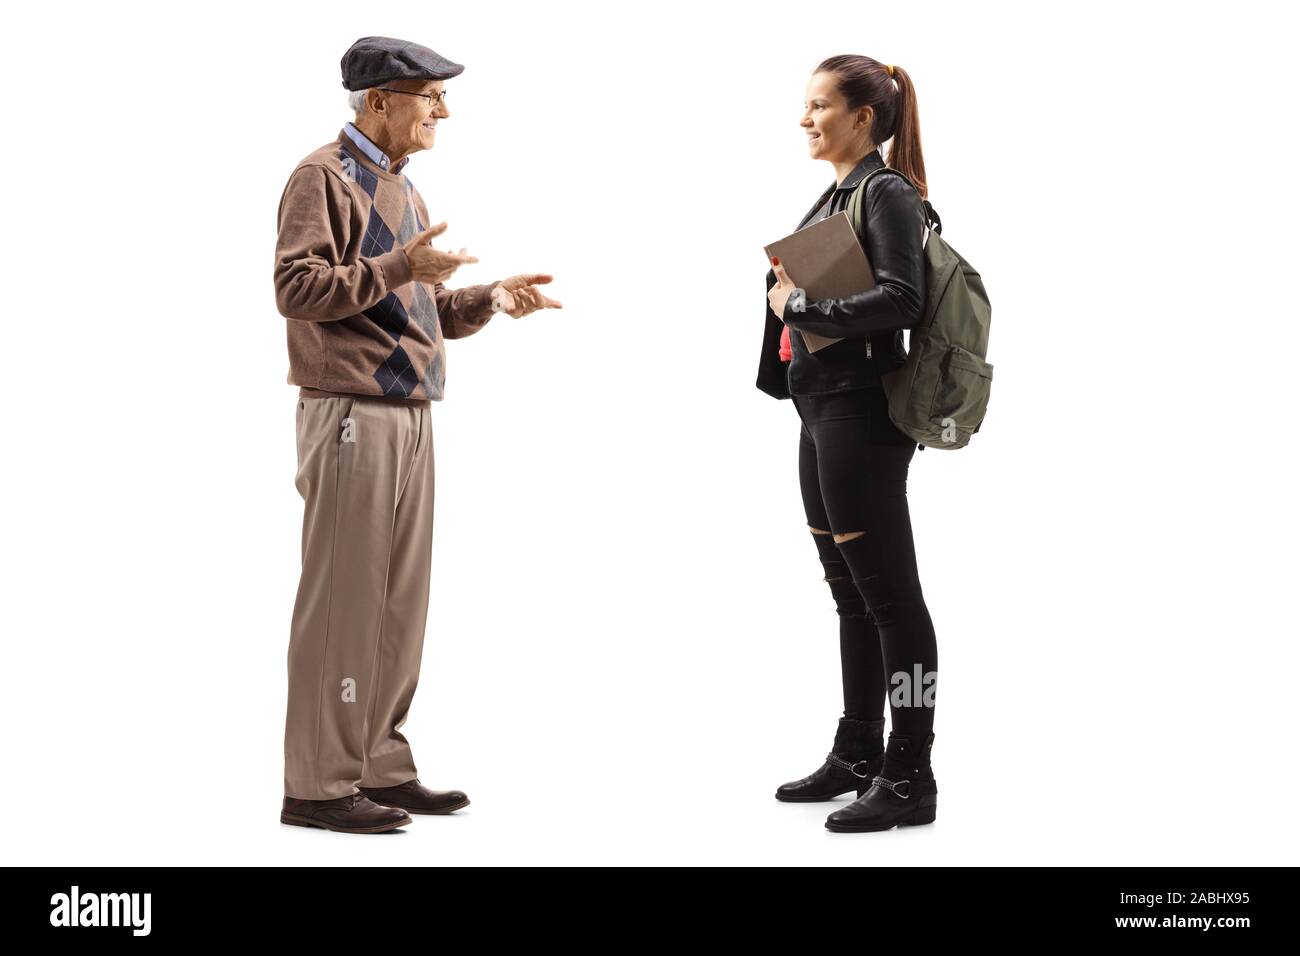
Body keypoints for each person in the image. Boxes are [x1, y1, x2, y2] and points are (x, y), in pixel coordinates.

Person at [274, 36, 562, 834]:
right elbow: (296, 287)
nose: (443, 110)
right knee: (343, 601)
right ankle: (319, 785)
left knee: (398, 603)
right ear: (376, 102)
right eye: (428, 95)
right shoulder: (320, 177)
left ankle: (377, 765)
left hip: (410, 415)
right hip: (350, 418)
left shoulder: (406, 192)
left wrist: (487, 300)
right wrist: (405, 269)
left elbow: (410, 308)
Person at [757, 55, 938, 832]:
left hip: (861, 417)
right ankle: (860, 750)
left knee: (890, 595)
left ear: (862, 118)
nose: (804, 117)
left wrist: (798, 298)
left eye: (818, 104)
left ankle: (911, 774)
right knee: (851, 591)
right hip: (820, 407)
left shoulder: (888, 193)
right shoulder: (839, 194)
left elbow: (902, 297)